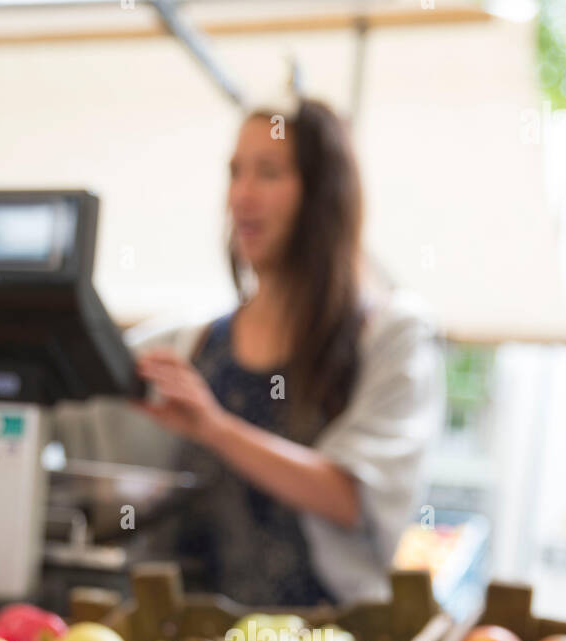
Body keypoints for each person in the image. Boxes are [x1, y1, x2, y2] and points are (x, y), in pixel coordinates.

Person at [130, 95, 444, 607]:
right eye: (235, 173)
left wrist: (216, 428)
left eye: (269, 174)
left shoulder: (390, 337)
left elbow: (351, 497)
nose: (241, 196)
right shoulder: (197, 341)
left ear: (323, 195)